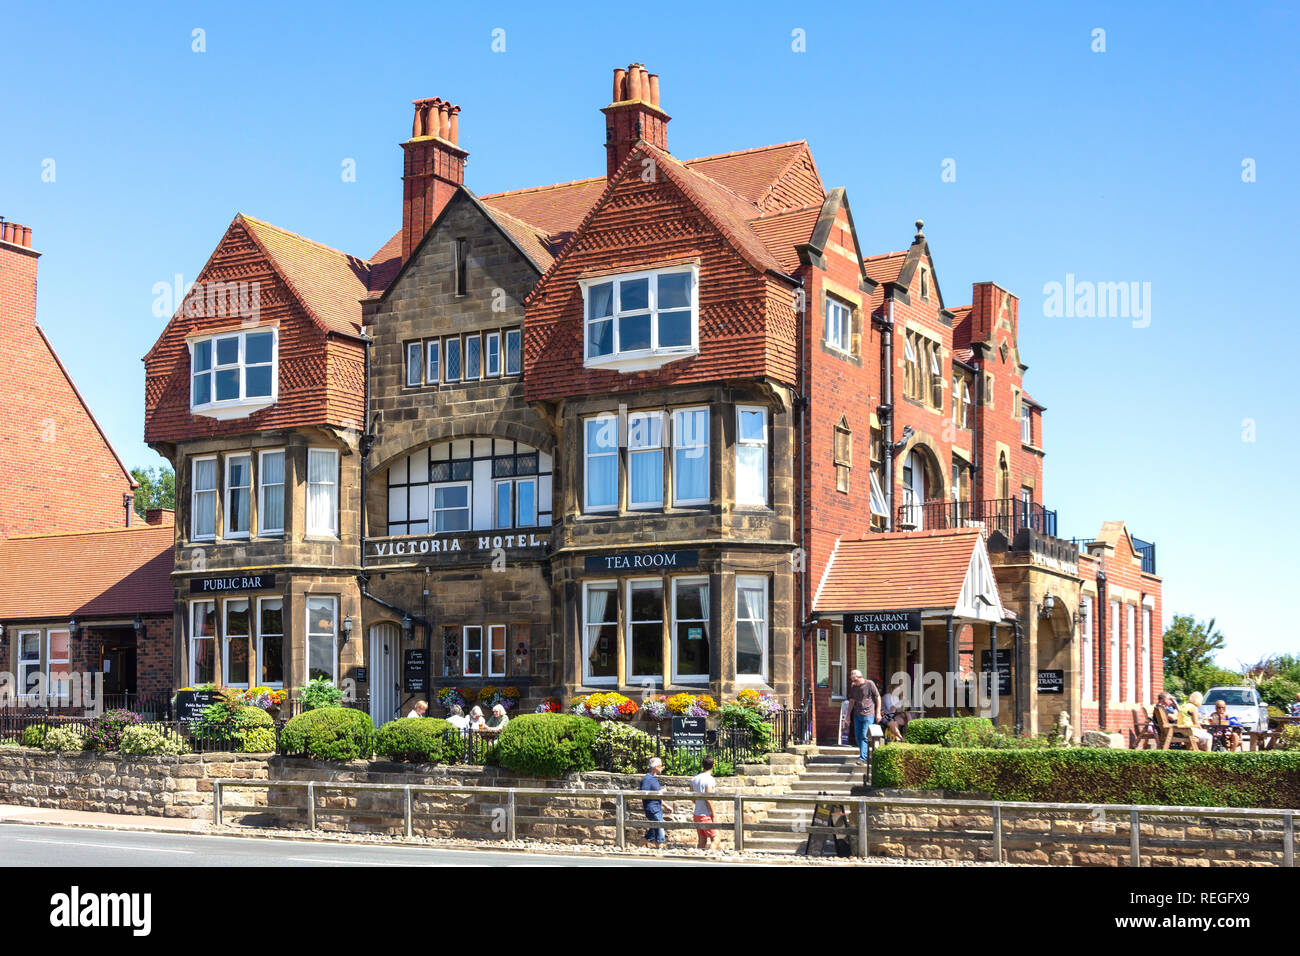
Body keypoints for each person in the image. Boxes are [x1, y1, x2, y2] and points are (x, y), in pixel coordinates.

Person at [847, 669, 881, 764]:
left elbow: (878, 697)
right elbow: (852, 701)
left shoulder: (869, 684)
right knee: (858, 737)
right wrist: (848, 715)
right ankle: (864, 755)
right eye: (852, 680)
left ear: (860, 677)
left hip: (868, 714)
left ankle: (863, 758)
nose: (854, 682)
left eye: (855, 680)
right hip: (857, 715)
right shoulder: (854, 687)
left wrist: (878, 712)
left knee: (864, 736)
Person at [690, 756, 720, 851]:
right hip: (706, 814)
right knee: (716, 839)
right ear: (713, 766)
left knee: (702, 840)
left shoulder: (694, 779)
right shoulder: (710, 779)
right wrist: (714, 814)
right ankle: (709, 857)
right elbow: (708, 798)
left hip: (697, 813)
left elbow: (692, 797)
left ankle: (699, 859)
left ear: (702, 765)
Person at [640, 756, 667, 850]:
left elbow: (657, 796)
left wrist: (666, 806)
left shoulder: (654, 778)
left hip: (657, 807)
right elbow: (644, 793)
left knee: (652, 831)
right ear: (655, 767)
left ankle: (640, 846)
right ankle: (660, 852)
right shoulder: (647, 779)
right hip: (652, 809)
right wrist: (661, 792)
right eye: (660, 766)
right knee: (660, 830)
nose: (662, 768)